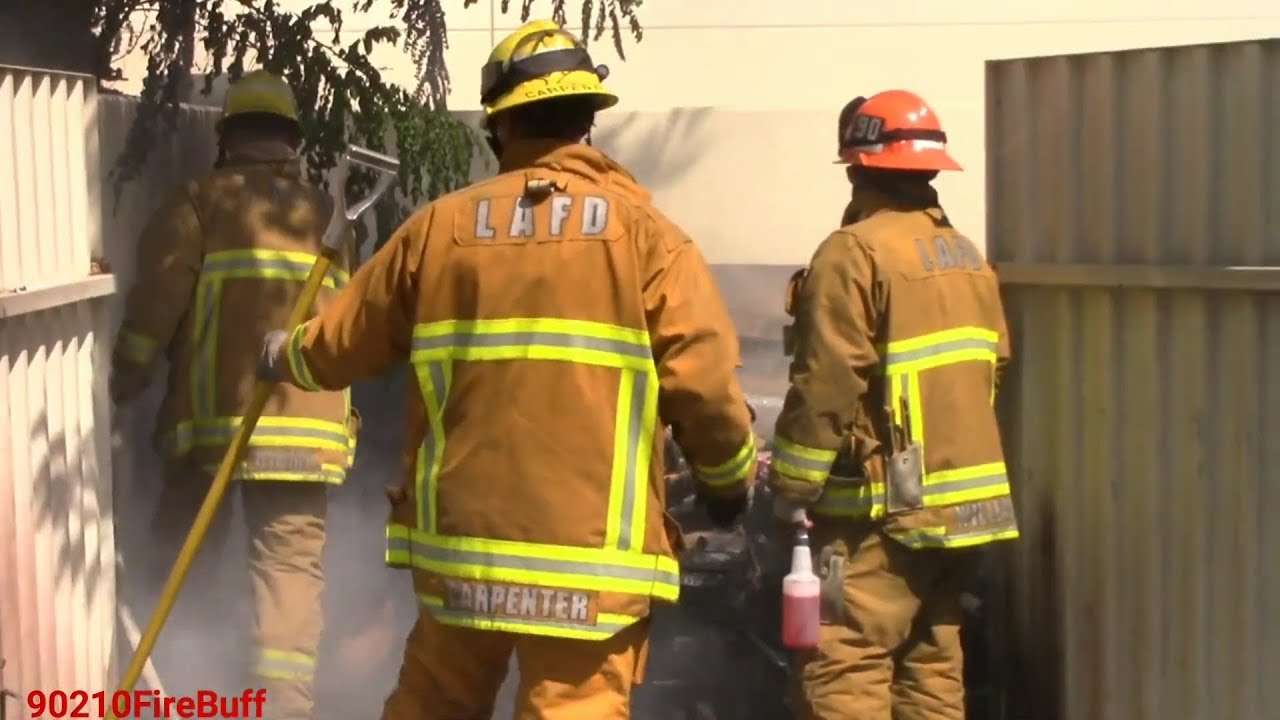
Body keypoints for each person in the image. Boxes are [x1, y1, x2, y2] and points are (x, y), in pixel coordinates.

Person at [257, 19, 757, 720]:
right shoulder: (650, 240)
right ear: (588, 122)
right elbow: (705, 387)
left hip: (464, 563)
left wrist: (281, 353)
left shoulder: (437, 231)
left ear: (499, 129)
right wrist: (729, 483)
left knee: (433, 703)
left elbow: (338, 347)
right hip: (590, 574)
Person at [109, 69, 358, 720]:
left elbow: (157, 306)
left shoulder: (197, 202)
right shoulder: (331, 220)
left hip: (211, 431)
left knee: (179, 561)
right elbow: (353, 327)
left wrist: (123, 383)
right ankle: (283, 710)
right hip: (308, 435)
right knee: (288, 583)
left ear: (226, 138)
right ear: (292, 141)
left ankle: (168, 690)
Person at [768, 89, 1018, 720]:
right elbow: (998, 364)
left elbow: (827, 381)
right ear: (932, 169)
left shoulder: (855, 252)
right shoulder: (966, 256)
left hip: (878, 513)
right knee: (932, 663)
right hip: (963, 508)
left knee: (845, 663)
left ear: (856, 166)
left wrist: (793, 485)